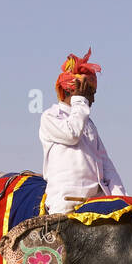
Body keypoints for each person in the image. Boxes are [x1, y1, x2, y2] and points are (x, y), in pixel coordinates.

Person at [40, 49, 126, 213]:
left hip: (94, 203)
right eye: (89, 94)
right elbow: (72, 134)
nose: (92, 100)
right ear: (71, 91)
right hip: (65, 204)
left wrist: (123, 200)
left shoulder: (88, 123)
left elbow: (106, 165)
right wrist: (80, 100)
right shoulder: (50, 117)